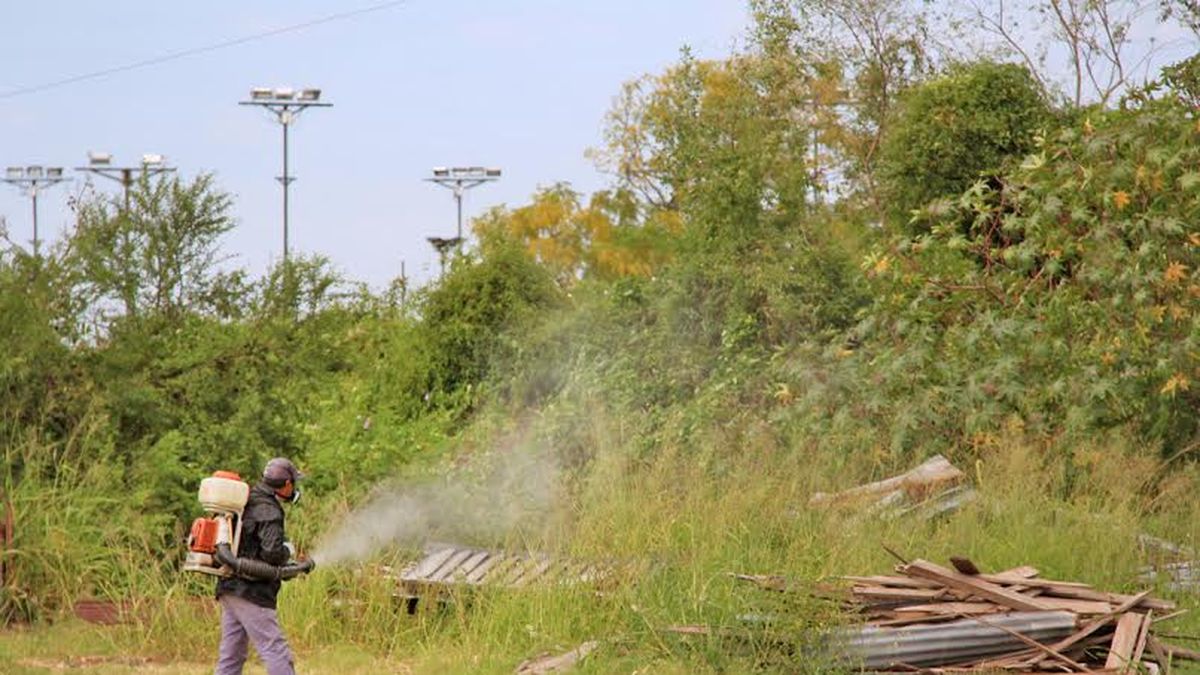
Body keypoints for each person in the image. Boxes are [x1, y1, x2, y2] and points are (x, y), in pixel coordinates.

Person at [215, 457, 312, 675]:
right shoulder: (269, 510)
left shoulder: (248, 498)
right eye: (293, 482)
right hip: (252, 591)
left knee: (232, 656)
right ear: (286, 485)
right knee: (276, 651)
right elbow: (272, 554)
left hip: (229, 587)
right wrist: (288, 550)